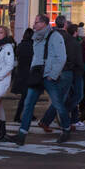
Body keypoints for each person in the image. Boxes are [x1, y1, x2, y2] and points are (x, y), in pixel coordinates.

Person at [12, 14, 68, 144]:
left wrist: (53, 74)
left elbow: (62, 58)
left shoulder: (55, 36)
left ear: (44, 23)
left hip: (48, 75)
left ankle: (66, 129)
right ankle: (22, 134)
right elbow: (36, 57)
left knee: (58, 104)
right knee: (28, 104)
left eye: (36, 22)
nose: (34, 25)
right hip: (36, 74)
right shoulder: (36, 37)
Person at [42, 19, 84, 132]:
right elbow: (70, 59)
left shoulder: (53, 36)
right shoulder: (71, 41)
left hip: (58, 70)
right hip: (67, 71)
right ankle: (63, 122)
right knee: (65, 98)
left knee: (60, 98)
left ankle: (49, 121)